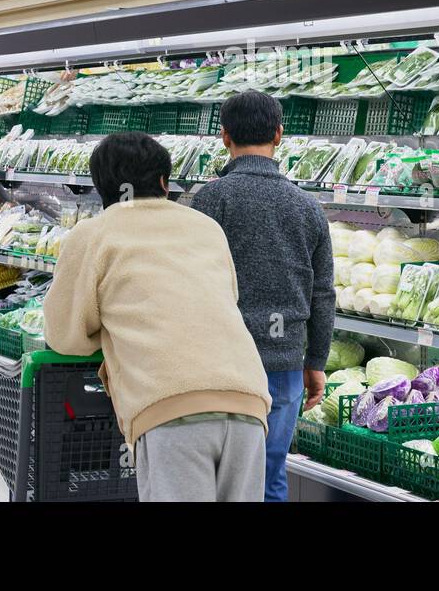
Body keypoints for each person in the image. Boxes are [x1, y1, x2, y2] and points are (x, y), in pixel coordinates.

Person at [43, 132, 271, 502]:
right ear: (165, 182)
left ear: (100, 186)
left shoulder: (92, 234)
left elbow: (64, 334)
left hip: (170, 406)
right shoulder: (205, 227)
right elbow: (225, 299)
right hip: (246, 399)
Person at [190, 90, 335, 502]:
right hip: (283, 362)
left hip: (219, 364)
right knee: (270, 476)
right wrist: (316, 362)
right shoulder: (308, 208)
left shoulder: (209, 201)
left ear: (224, 138)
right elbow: (322, 294)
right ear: (279, 134)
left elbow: (193, 283)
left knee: (219, 480)